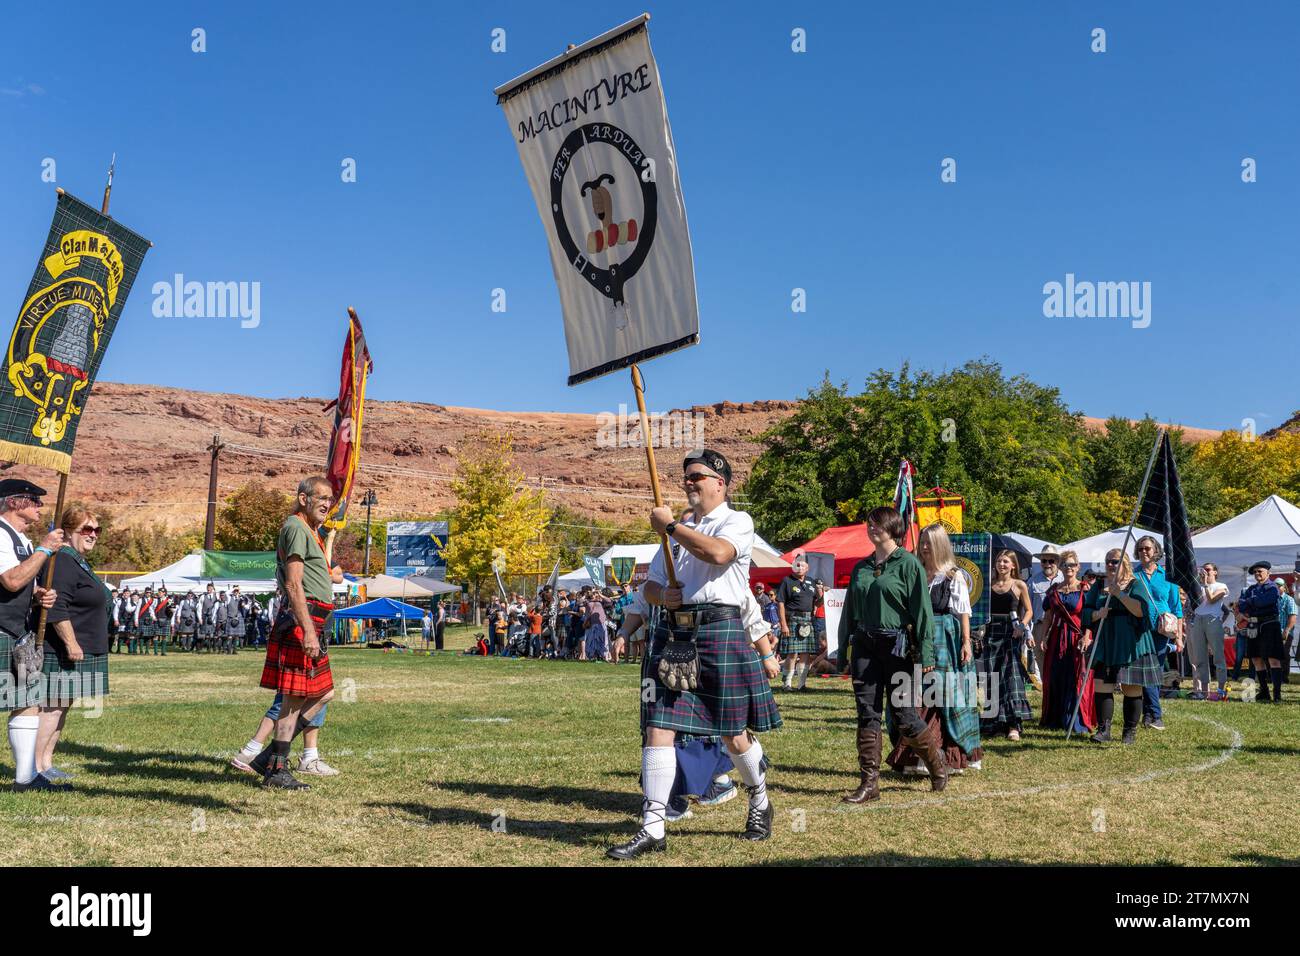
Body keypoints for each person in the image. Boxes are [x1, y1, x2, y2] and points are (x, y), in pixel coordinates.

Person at [607, 449, 781, 860]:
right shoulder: (678, 531)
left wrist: (669, 527)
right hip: (675, 634)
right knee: (658, 726)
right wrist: (660, 594)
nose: (689, 482)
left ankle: (759, 799)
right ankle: (653, 826)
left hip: (720, 629)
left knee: (733, 733)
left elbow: (717, 554)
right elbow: (647, 586)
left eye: (697, 476)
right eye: (685, 476)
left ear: (720, 483)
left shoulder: (737, 522)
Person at [837, 506, 943, 803]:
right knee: (867, 714)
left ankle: (937, 765)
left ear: (893, 527)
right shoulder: (862, 567)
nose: (871, 528)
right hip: (864, 646)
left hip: (897, 648)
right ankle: (869, 784)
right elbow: (849, 611)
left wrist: (926, 656)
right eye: (869, 523)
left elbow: (923, 612)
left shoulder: (909, 564)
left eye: (877, 523)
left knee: (904, 717)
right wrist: (842, 646)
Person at [246, 476, 344, 789]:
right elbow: (293, 583)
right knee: (291, 699)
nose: (327, 504)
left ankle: (270, 758)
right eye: (322, 497)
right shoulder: (295, 528)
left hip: (316, 620)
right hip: (304, 622)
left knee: (323, 692)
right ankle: (276, 769)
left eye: (330, 498)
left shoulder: (311, 532)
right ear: (303, 498)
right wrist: (308, 631)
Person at [886, 522, 983, 775]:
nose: (925, 547)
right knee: (916, 692)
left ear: (939, 544)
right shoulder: (915, 574)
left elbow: (963, 613)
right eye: (923, 541)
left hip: (945, 640)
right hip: (918, 640)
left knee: (943, 696)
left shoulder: (953, 576)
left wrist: (965, 642)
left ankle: (948, 756)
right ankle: (916, 755)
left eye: (930, 542)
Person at [39, 507, 113, 785]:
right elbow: (57, 607)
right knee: (52, 707)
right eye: (87, 529)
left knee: (62, 706)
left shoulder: (78, 560)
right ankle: (36, 767)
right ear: (69, 531)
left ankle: (47, 763)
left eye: (97, 530)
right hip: (63, 649)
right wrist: (70, 643)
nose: (93, 535)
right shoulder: (64, 561)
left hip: (83, 646)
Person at [0, 478, 64, 791]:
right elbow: (11, 580)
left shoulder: (21, 540)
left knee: (27, 701)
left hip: (15, 632)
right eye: (33, 500)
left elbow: (20, 584)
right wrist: (44, 549)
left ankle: (25, 778)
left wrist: (38, 594)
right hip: (1, 629)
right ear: (13, 503)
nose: (39, 506)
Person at [1084, 549, 1162, 744]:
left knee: (1131, 688)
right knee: (1102, 685)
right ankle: (1104, 731)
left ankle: (1129, 732)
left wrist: (1119, 593)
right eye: (1108, 561)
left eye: (1115, 561)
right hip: (1106, 640)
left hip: (1131, 642)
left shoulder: (1136, 584)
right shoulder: (1100, 584)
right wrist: (1096, 615)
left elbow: (1141, 610)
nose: (1111, 565)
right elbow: (1085, 610)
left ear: (1125, 563)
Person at [979, 549, 1034, 741]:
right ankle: (994, 723)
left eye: (1005, 562)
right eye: (999, 561)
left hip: (1011, 632)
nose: (1002, 564)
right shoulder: (987, 585)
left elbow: (1028, 611)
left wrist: (1022, 626)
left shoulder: (1019, 585)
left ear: (1013, 565)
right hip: (990, 633)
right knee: (992, 677)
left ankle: (1013, 725)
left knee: (1011, 677)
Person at [1038, 549, 1094, 733]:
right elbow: (1048, 616)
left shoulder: (1085, 589)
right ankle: (1055, 717)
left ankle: (1076, 719)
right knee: (1055, 675)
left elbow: (1091, 617)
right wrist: (1044, 636)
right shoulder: (1054, 590)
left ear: (1077, 567)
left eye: (1072, 564)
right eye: (1065, 564)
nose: (1068, 568)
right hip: (1056, 637)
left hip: (1077, 637)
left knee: (1075, 676)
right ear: (1060, 568)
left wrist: (1087, 636)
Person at [1132, 535, 1182, 729]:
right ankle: (1152, 714)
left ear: (1156, 552)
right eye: (1141, 549)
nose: (1144, 552)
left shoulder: (1167, 576)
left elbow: (1176, 608)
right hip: (1138, 629)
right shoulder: (1133, 575)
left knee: (1155, 672)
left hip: (1161, 630)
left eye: (1148, 549)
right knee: (1145, 672)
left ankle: (1151, 714)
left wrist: (1178, 636)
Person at [1237, 561, 1284, 703]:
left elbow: (1265, 602)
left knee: (1273, 659)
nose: (1257, 573)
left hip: (1270, 624)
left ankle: (1277, 694)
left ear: (1268, 573)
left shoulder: (1273, 587)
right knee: (1255, 658)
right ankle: (1264, 692)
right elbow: (1242, 605)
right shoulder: (1250, 589)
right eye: (1255, 572)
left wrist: (1250, 601)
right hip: (1253, 624)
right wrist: (1253, 602)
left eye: (1260, 571)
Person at [776, 554, 819, 692]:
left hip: (808, 620)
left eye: (802, 565)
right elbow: (781, 603)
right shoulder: (787, 581)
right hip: (793, 620)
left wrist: (822, 595)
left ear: (808, 568)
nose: (799, 567)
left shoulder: (812, 582)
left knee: (806, 653)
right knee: (792, 653)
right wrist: (783, 624)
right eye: (797, 564)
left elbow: (817, 603)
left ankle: (801, 684)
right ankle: (787, 683)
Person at [1187, 563, 1229, 700]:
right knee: (1200, 658)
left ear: (1215, 572)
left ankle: (1221, 691)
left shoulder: (1221, 586)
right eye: (1203, 569)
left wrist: (1205, 584)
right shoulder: (1197, 587)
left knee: (1218, 657)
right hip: (1197, 620)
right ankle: (1205, 692)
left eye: (1208, 569)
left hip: (1213, 620)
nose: (1205, 572)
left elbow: (1211, 599)